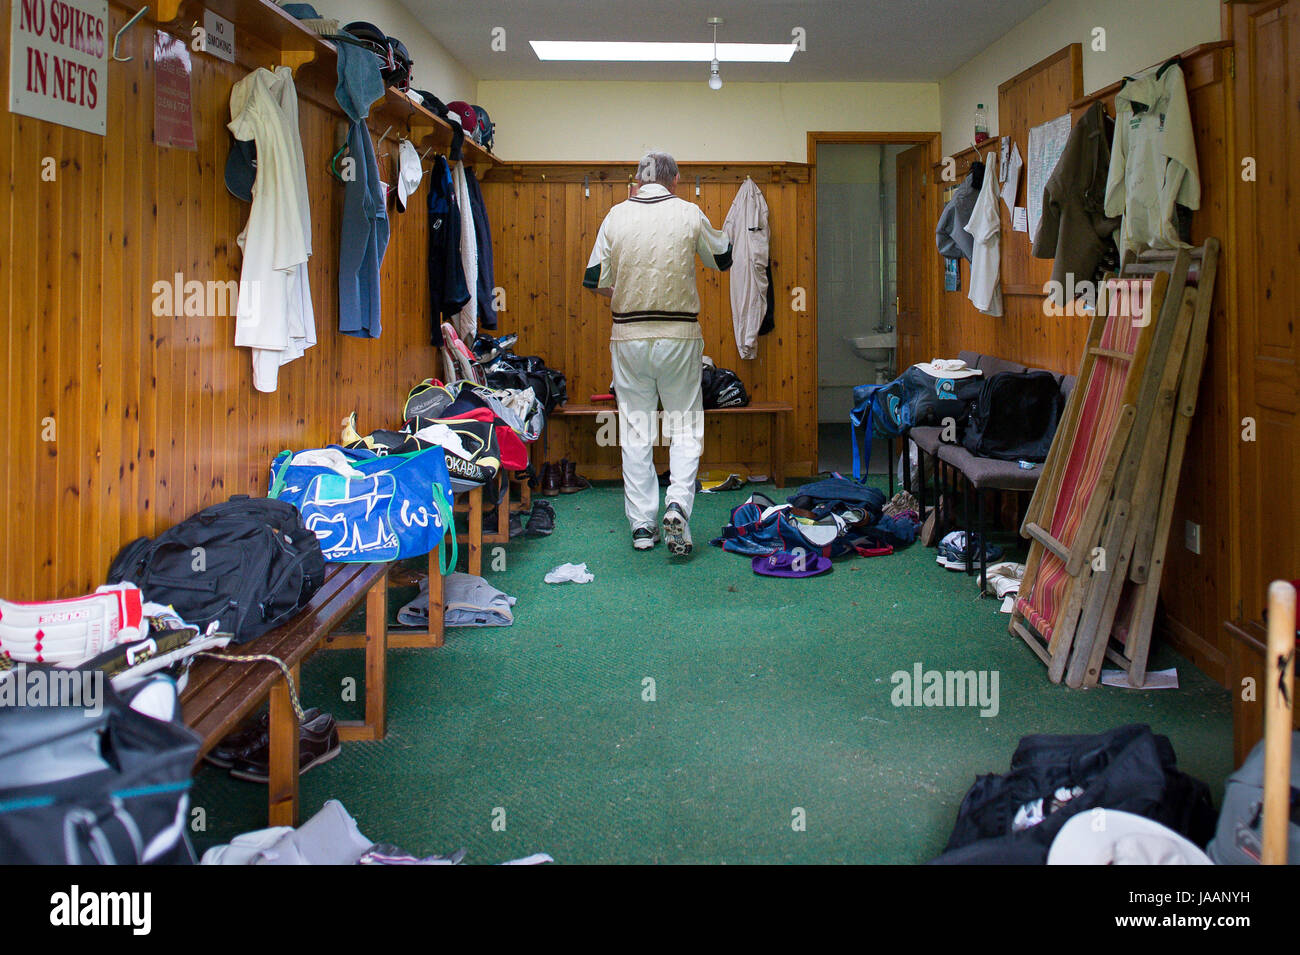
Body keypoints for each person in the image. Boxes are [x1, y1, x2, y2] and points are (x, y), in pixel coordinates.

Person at [583, 151, 732, 556]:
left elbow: (593, 278)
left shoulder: (616, 216)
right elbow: (722, 259)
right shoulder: (688, 212)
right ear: (676, 180)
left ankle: (642, 527)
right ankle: (678, 503)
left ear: (636, 180)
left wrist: (621, 296)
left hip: (628, 336)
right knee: (685, 427)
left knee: (634, 430)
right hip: (680, 336)